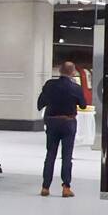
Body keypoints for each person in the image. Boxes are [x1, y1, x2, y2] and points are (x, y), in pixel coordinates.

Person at [37, 60, 88, 197]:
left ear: (59, 71)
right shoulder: (76, 88)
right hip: (68, 123)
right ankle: (66, 187)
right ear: (72, 73)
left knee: (50, 155)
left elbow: (40, 103)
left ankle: (45, 187)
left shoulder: (50, 85)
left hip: (52, 123)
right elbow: (83, 105)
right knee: (67, 156)